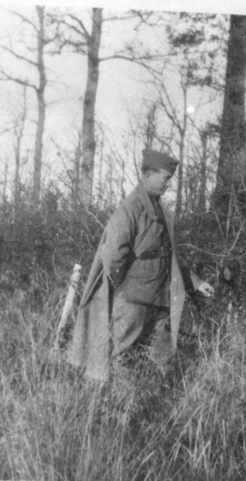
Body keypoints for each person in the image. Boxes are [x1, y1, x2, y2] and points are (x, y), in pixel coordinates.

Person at [66, 149, 214, 381]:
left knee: (164, 357)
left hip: (160, 299)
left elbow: (170, 254)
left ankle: (159, 405)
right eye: (165, 179)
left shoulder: (161, 210)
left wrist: (195, 282)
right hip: (133, 299)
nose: (169, 185)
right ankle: (121, 410)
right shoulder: (130, 209)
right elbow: (113, 254)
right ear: (147, 175)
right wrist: (124, 286)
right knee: (124, 356)